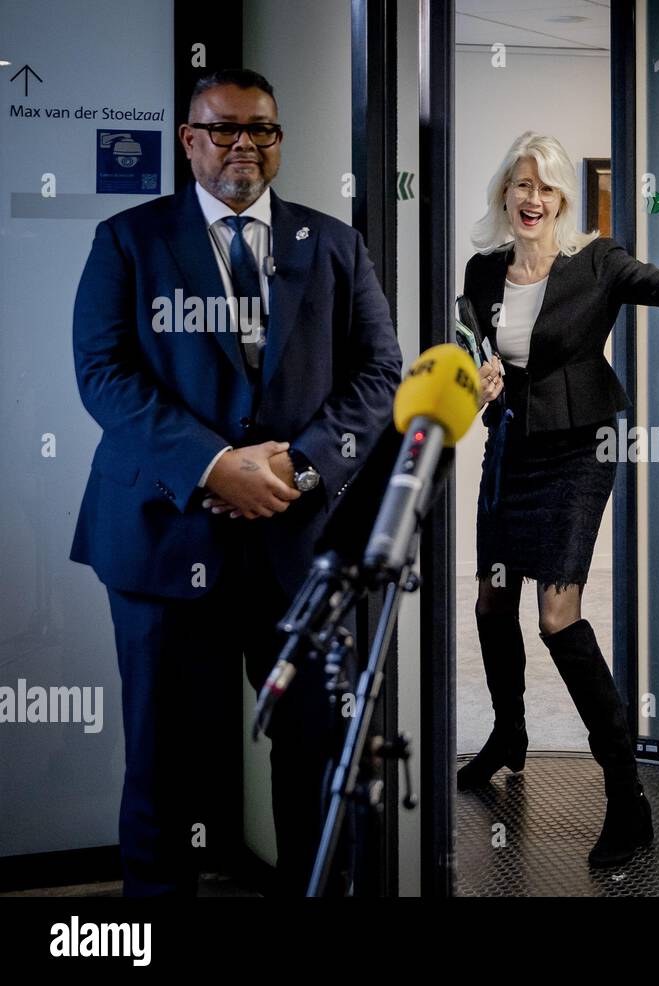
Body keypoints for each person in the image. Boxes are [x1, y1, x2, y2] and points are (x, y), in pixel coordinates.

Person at [70, 68, 403, 895]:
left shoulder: (333, 243)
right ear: (189, 140)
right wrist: (213, 465)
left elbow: (381, 372)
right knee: (163, 767)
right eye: (223, 129)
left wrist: (297, 465)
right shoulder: (129, 240)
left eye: (262, 129)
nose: (243, 145)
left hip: (301, 547)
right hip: (163, 539)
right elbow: (102, 372)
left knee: (318, 758)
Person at [457, 132, 659, 867]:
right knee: (489, 597)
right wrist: (472, 377)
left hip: (577, 451)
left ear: (564, 199)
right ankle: (511, 732)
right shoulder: (482, 271)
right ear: (504, 194)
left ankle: (626, 798)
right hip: (510, 445)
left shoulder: (596, 263)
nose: (533, 199)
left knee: (556, 613)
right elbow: (468, 351)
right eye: (521, 184)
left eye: (547, 188)